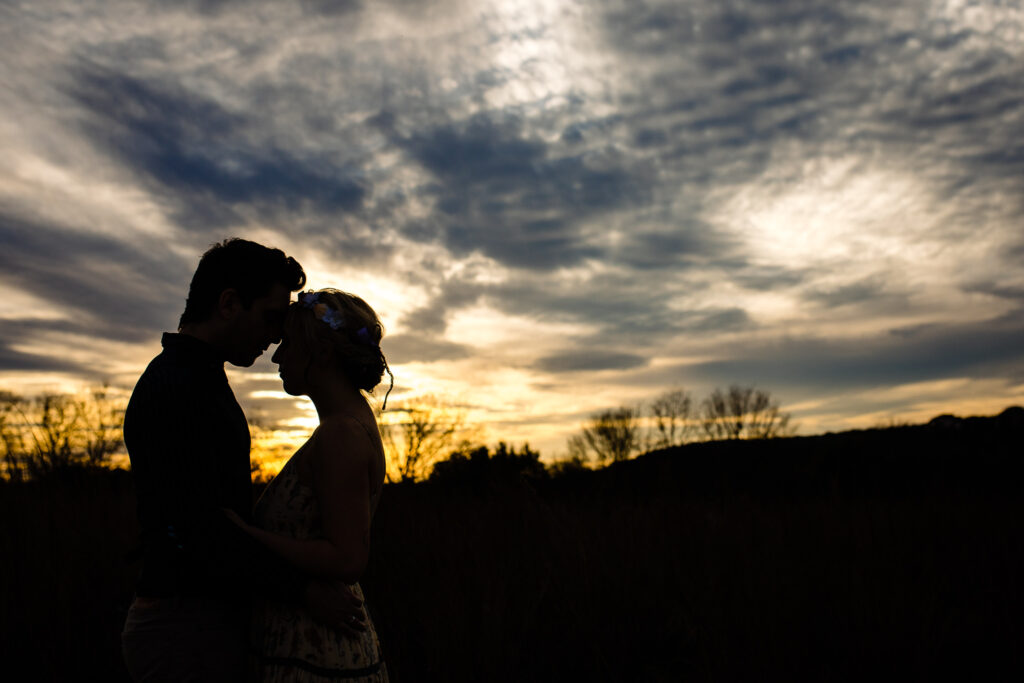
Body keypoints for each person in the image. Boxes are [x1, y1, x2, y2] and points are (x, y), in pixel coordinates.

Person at [121, 239, 366, 683]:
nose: (276, 336)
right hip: (183, 627)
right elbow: (199, 529)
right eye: (271, 317)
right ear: (229, 303)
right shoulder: (177, 388)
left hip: (199, 623)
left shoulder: (199, 379)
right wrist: (304, 591)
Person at [224, 288, 391, 682]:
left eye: (289, 346)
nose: (277, 357)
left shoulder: (341, 435)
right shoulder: (347, 425)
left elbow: (348, 558)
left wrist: (248, 536)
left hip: (317, 652)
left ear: (323, 353)